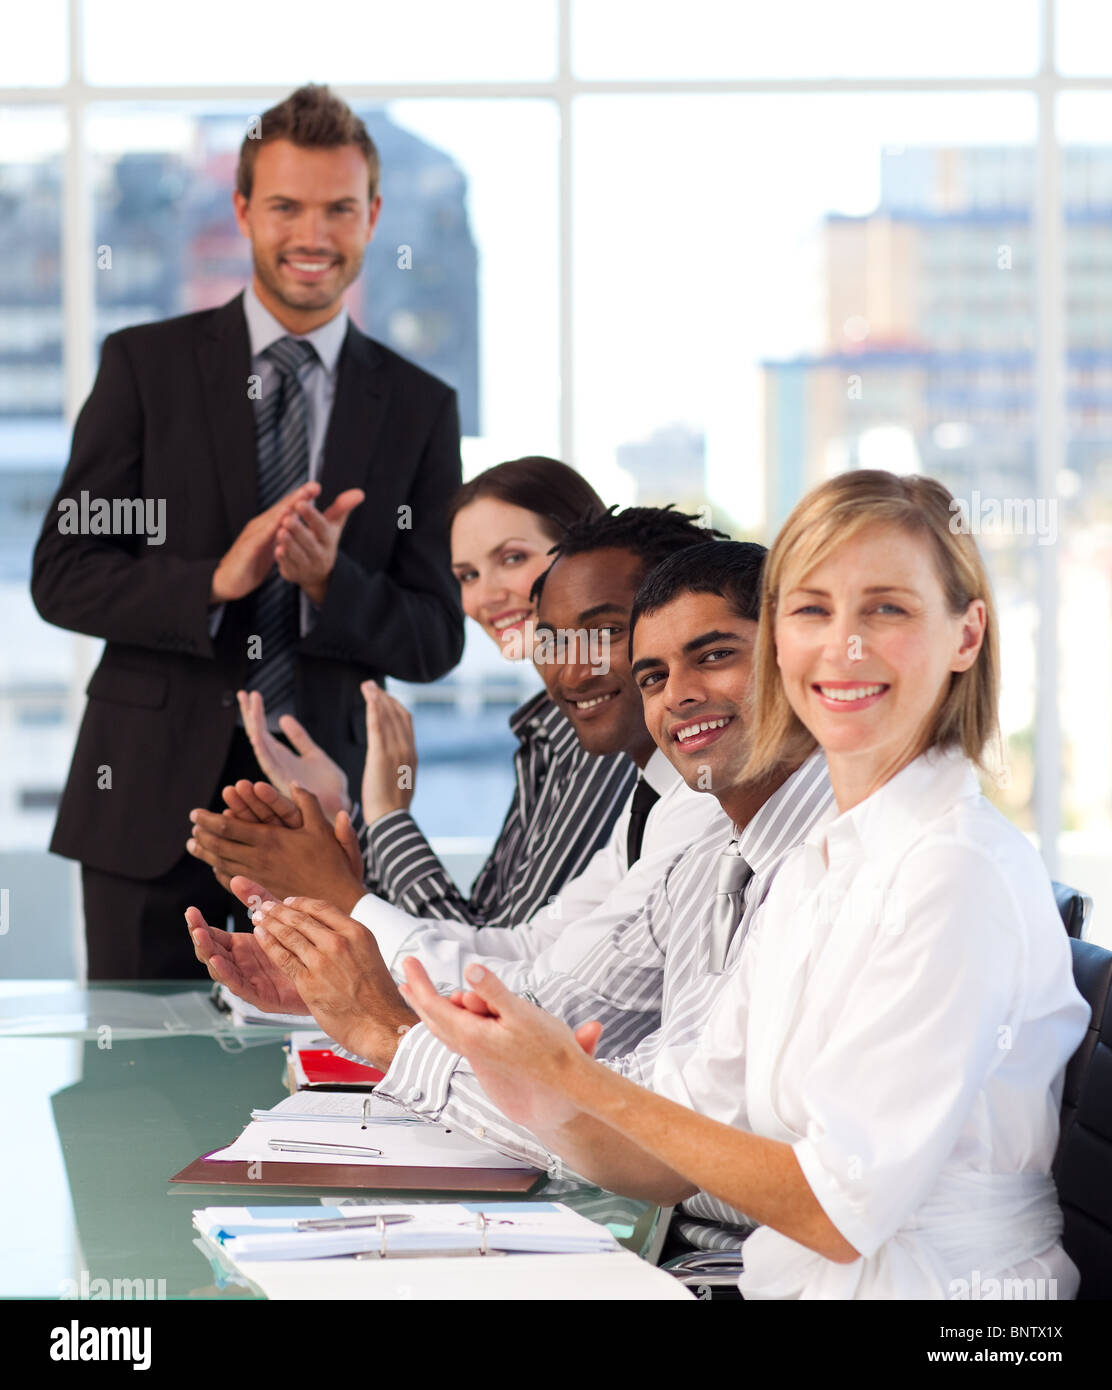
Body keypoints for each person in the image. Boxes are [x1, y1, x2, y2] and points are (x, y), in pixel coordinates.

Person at [392, 469, 1089, 1300]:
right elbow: (667, 1150)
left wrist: (571, 1078)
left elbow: (837, 1207)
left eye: (887, 609)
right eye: (811, 611)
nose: (844, 647)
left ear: (966, 636)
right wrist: (527, 1079)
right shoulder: (821, 863)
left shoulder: (953, 870)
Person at [30, 84, 463, 980]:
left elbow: (436, 638)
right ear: (242, 211)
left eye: (338, 208)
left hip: (324, 823)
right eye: (286, 207)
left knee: (322, 1093)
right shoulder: (144, 368)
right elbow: (62, 574)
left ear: (373, 216)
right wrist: (215, 581)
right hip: (147, 808)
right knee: (135, 1089)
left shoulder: (422, 407)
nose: (313, 234)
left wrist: (329, 585)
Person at [188, 458, 638, 929]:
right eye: (467, 576)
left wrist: (388, 817)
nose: (486, 597)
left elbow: (489, 968)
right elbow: (477, 933)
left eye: (512, 559)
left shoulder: (604, 729)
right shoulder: (550, 728)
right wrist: (342, 810)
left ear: (586, 552)